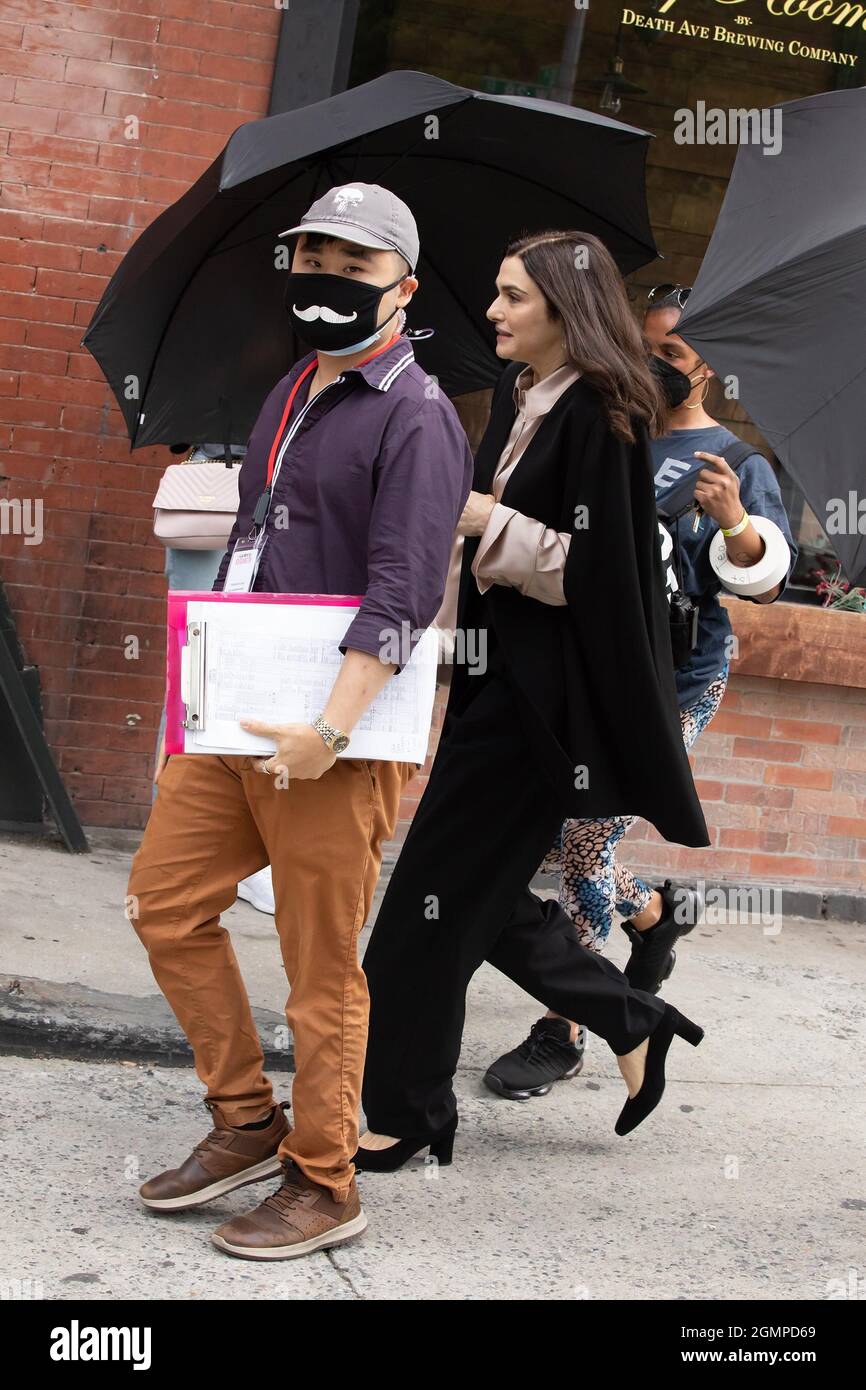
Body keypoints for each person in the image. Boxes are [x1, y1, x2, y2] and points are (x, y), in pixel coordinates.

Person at [127, 183, 474, 1258]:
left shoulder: (417, 417)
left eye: (352, 266)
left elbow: (403, 591)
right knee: (165, 905)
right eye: (310, 260)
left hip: (330, 737)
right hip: (234, 714)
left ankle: (324, 1179)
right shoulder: (291, 389)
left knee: (319, 968)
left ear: (402, 289)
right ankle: (243, 1117)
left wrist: (326, 732)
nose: (324, 282)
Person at [355, 231, 709, 1173]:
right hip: (493, 688)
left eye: (514, 297)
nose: (496, 312)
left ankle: (402, 1115)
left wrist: (486, 520)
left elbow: (607, 574)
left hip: (538, 711)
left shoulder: (604, 410)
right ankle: (633, 1017)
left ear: (563, 307)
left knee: (418, 918)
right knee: (483, 897)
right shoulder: (526, 399)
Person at [484, 282, 797, 1102]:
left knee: (584, 842)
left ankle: (566, 1028)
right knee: (559, 842)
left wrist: (732, 518)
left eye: (671, 354)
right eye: (645, 346)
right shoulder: (606, 430)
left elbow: (763, 582)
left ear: (707, 368)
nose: (652, 364)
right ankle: (654, 915)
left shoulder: (738, 462)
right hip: (588, 675)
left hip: (676, 681)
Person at [152, 444, 275, 915]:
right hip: (215, 507)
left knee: (246, 669)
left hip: (269, 518)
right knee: (193, 667)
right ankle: (174, 831)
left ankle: (241, 852)